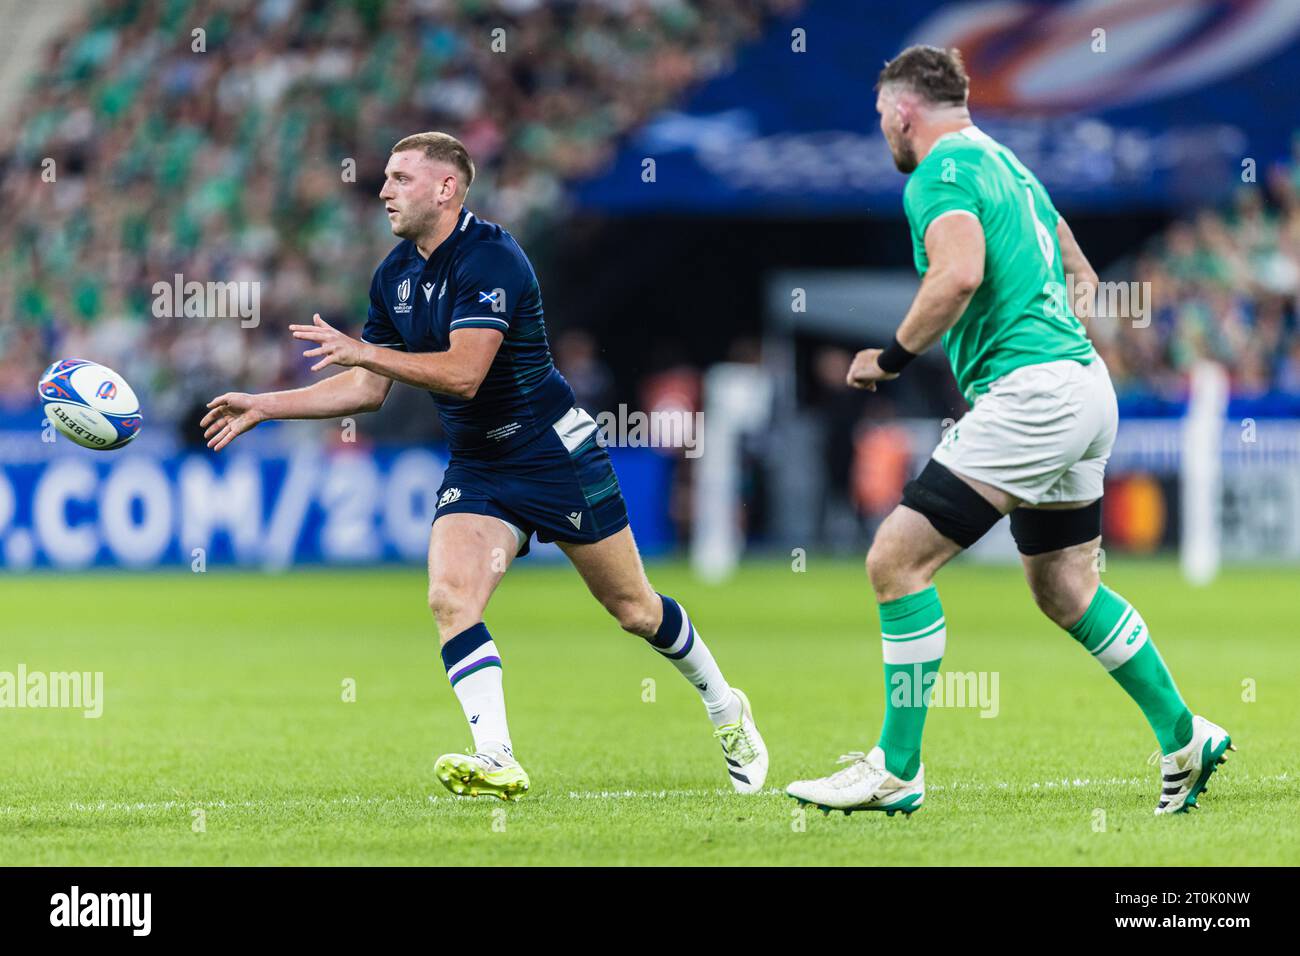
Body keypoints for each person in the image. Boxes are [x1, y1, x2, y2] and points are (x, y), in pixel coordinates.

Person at [202, 132, 767, 801]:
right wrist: (267, 406)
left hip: (553, 453)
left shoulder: (493, 258)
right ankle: (495, 753)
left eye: (400, 178)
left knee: (635, 610)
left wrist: (366, 353)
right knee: (451, 598)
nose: (384, 190)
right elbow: (366, 390)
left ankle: (726, 707)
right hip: (480, 464)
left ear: (446, 188)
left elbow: (464, 375)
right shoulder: (394, 275)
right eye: (385, 178)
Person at [786, 47, 1231, 817]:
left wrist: (889, 359)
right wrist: (1064, 342)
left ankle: (895, 769)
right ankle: (1183, 736)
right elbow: (1077, 267)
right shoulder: (1007, 166)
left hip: (1033, 395)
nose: (883, 132)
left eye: (880, 118)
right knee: (1064, 587)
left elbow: (956, 274)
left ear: (901, 112)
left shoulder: (938, 176)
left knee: (896, 560)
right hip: (1082, 384)